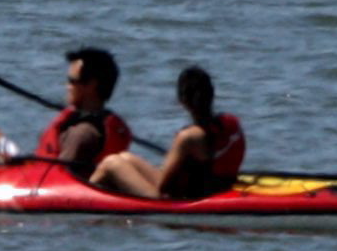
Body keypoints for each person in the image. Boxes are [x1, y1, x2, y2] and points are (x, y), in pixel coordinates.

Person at [88, 65, 247, 201]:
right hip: (219, 187)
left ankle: (85, 199)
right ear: (212, 93)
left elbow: (162, 187)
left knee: (111, 163)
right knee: (125, 157)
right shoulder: (232, 123)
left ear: (182, 101)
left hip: (174, 199)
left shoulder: (187, 138)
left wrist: (173, 158)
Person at [33, 46, 134, 183]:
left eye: (72, 81)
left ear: (91, 85)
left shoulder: (82, 134)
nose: (67, 86)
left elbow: (58, 180)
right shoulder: (101, 125)